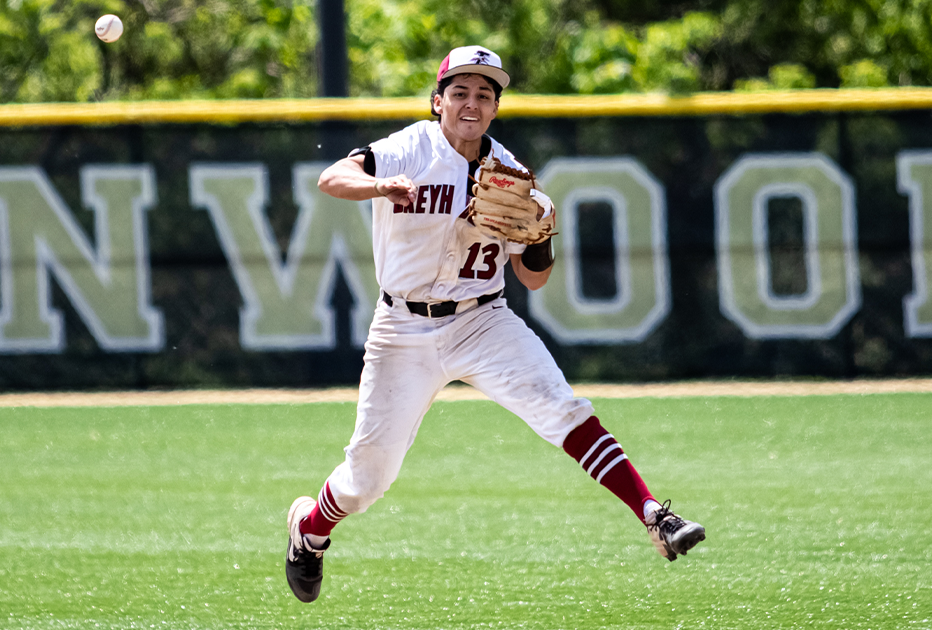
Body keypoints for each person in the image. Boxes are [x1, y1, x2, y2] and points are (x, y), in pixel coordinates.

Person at [285, 45, 705, 604]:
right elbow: (332, 180)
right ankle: (310, 529)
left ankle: (654, 515)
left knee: (562, 407)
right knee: (367, 479)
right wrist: (380, 186)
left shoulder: (510, 177)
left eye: (485, 94)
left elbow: (533, 280)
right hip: (402, 329)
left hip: (482, 320)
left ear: (495, 109)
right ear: (438, 102)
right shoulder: (411, 146)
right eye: (459, 91)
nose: (471, 102)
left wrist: (540, 235)